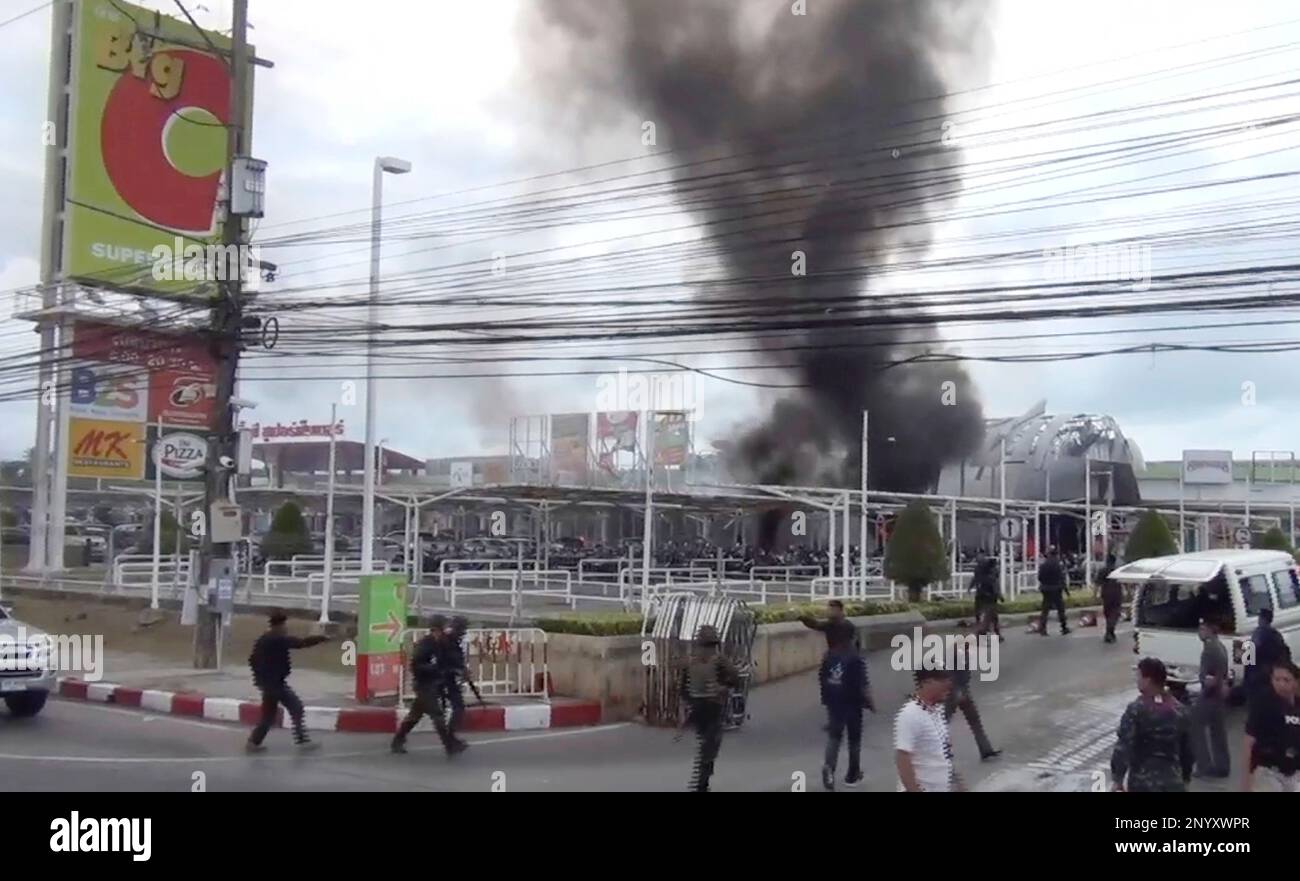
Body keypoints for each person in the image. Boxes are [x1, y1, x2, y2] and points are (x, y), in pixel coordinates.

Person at [246, 610, 330, 753]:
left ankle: (254, 742)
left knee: (268, 716)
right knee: (296, 707)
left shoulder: (264, 639)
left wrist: (260, 679)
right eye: (284, 625)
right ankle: (302, 740)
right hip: (275, 683)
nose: (286, 628)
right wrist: (321, 638)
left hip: (269, 683)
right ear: (279, 625)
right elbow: (301, 643)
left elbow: (252, 660)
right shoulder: (276, 639)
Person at [1111, 657, 1194, 792]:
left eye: (1139, 676)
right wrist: (1185, 778)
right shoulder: (1180, 710)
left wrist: (1118, 779)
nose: (1137, 680)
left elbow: (1123, 747)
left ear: (1147, 680)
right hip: (1172, 781)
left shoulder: (1137, 709)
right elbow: (1188, 750)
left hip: (1143, 782)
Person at [392, 614, 465, 756]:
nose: (447, 630)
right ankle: (449, 745)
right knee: (437, 715)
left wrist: (454, 670)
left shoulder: (442, 643)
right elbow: (416, 665)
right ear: (437, 629)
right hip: (424, 685)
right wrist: (434, 668)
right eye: (444, 627)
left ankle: (398, 740)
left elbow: (448, 661)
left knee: (415, 715)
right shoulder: (425, 644)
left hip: (435, 684)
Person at [681, 624, 740, 792]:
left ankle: (702, 779)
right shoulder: (719, 659)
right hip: (713, 705)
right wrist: (724, 686)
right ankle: (702, 783)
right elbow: (735, 676)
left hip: (697, 706)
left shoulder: (690, 660)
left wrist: (688, 702)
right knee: (711, 744)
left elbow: (682, 687)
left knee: (705, 742)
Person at [818, 633, 874, 790]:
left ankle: (829, 767)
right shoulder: (856, 659)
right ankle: (852, 774)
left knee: (834, 737)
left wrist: (826, 699)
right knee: (854, 740)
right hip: (853, 704)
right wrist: (871, 703)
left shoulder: (829, 655)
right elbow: (863, 685)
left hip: (834, 703)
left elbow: (822, 678)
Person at [895, 668, 962, 792]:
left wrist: (959, 786)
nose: (949, 687)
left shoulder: (937, 711)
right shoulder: (909, 714)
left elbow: (945, 756)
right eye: (943, 680)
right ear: (927, 682)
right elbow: (903, 759)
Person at [944, 623, 1001, 761]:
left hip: (960, 691)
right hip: (955, 692)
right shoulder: (958, 652)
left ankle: (985, 750)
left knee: (971, 722)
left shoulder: (963, 650)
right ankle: (943, 754)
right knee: (945, 724)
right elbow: (952, 675)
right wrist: (958, 692)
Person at [1242, 661, 1300, 791]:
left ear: (1295, 682)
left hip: (1294, 773)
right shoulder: (1263, 704)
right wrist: (1246, 779)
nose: (1281, 684)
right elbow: (1248, 742)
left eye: (1286, 680)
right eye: (1277, 679)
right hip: (1268, 771)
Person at [1192, 619, 1231, 778]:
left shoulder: (1209, 649)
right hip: (1218, 695)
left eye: (1202, 629)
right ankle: (1223, 766)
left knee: (1195, 725)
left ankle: (1204, 765)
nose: (1199, 632)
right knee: (1218, 731)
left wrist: (1204, 688)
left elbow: (1209, 677)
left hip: (1210, 695)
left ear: (1209, 630)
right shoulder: (1220, 645)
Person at [1245, 608, 1291, 711]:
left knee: (1258, 706)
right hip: (1272, 673)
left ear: (1262, 619)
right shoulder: (1276, 635)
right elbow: (1284, 653)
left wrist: (1247, 674)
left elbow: (1251, 653)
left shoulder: (1259, 633)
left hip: (1259, 675)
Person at [1036, 548, 1070, 636]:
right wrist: (1066, 590)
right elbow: (1062, 578)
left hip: (1046, 589)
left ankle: (1042, 629)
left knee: (1045, 610)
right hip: (1056, 589)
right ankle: (1064, 627)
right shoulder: (1059, 565)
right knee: (1060, 609)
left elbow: (1039, 577)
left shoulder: (1044, 565)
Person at [969, 553, 1003, 641]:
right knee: (990, 616)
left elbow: (975, 580)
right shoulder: (992, 572)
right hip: (989, 597)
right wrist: (999, 595)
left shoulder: (979, 570)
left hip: (981, 595)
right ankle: (989, 634)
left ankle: (990, 634)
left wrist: (970, 587)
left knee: (983, 615)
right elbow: (995, 585)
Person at [1098, 552, 1122, 644]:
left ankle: (1109, 633)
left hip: (1106, 593)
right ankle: (1110, 633)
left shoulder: (1102, 570)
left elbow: (1098, 583)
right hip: (1116, 593)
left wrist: (1095, 595)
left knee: (1108, 613)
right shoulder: (1118, 570)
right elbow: (1124, 582)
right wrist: (1128, 592)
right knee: (1114, 614)